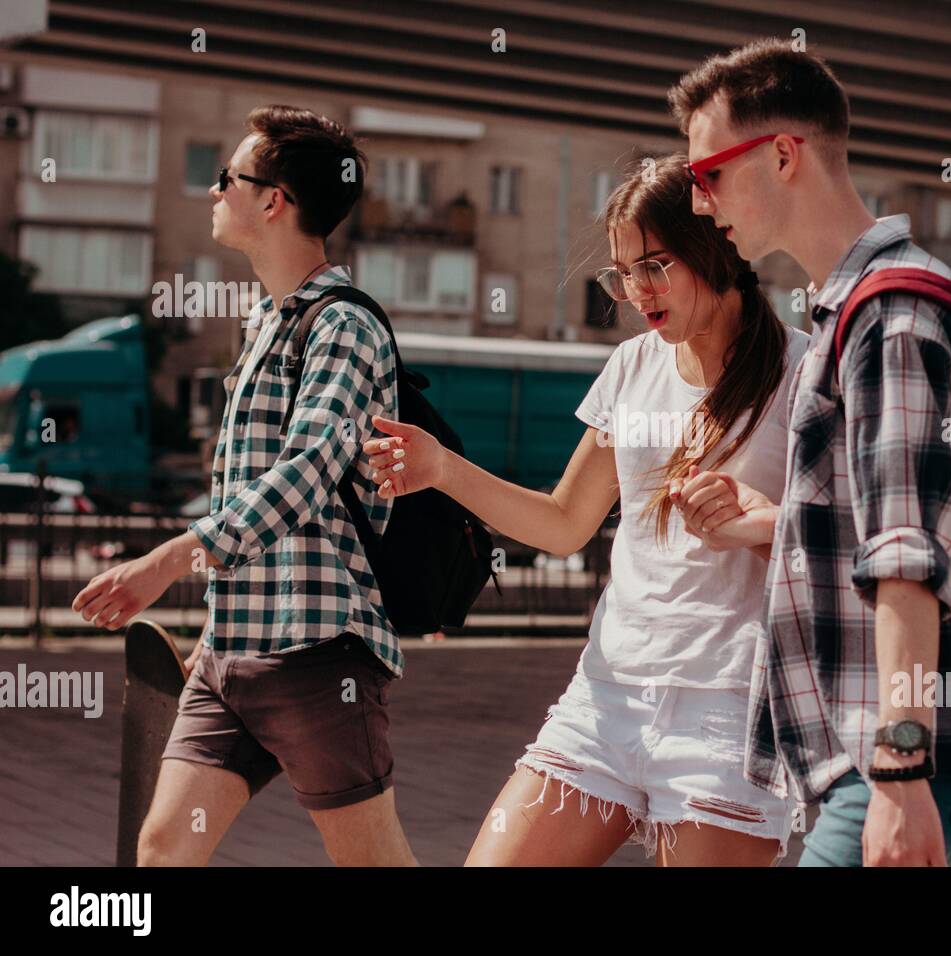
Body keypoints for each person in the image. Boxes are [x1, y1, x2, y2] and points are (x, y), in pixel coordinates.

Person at [364, 155, 809, 866]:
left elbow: (850, 542)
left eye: (654, 265)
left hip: (731, 708)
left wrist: (757, 522)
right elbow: (564, 522)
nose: (637, 291)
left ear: (715, 247)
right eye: (622, 272)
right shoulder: (632, 367)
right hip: (607, 694)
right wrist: (443, 470)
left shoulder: (806, 377)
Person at [667, 38, 951, 866]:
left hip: (893, 756)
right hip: (866, 756)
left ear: (783, 154)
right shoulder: (849, 313)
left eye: (707, 174)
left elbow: (908, 557)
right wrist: (773, 525)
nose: (699, 201)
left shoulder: (892, 321)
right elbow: (873, 531)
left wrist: (899, 775)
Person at [72, 105, 417, 866]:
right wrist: (214, 627)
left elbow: (305, 476)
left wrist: (163, 562)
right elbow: (245, 497)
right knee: (162, 850)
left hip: (318, 652)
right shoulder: (264, 324)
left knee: (372, 862)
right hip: (230, 659)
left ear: (274, 201)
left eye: (227, 178)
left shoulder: (344, 327)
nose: (212, 192)